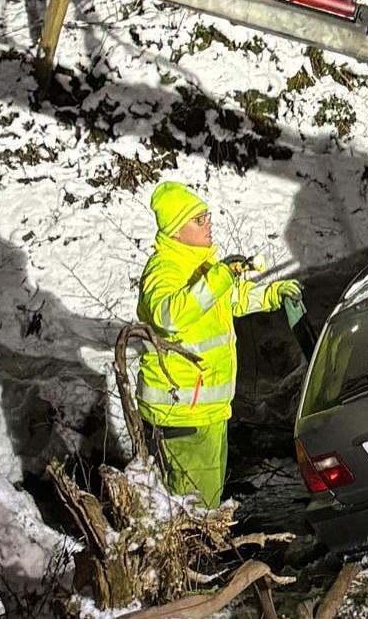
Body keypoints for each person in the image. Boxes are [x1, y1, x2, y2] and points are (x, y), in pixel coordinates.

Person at [136, 181, 302, 508]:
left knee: (207, 501)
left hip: (209, 411)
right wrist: (220, 275)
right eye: (199, 220)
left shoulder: (202, 265)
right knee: (195, 510)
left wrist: (271, 294)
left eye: (208, 217)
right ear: (176, 230)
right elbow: (170, 315)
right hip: (181, 415)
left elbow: (230, 298)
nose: (208, 224)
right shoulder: (165, 269)